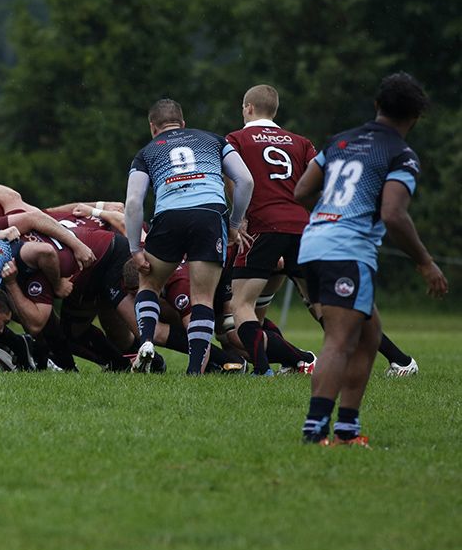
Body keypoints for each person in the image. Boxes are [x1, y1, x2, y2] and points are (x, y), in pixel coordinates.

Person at [295, 72, 447, 446]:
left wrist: (331, 214)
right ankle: (315, 432)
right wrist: (425, 262)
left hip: (313, 243)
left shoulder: (340, 140)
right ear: (415, 117)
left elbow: (301, 189)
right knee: (340, 341)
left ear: (377, 106)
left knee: (368, 336)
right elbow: (394, 214)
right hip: (345, 250)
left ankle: (347, 429)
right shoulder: (401, 154)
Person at [124, 98, 254, 374]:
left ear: (153, 127)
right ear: (183, 123)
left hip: (169, 216)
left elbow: (134, 202)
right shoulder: (214, 140)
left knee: (149, 283)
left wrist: (135, 247)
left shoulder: (147, 152)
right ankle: (195, 369)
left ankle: (146, 341)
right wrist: (235, 222)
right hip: (209, 214)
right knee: (203, 298)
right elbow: (246, 180)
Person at [224, 85, 318, 375]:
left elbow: (235, 181)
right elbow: (317, 179)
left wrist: (238, 220)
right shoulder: (301, 142)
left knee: (241, 305)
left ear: (248, 108)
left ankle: (262, 369)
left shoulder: (236, 139)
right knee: (320, 303)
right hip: (301, 226)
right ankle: (385, 356)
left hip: (263, 227)